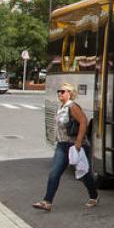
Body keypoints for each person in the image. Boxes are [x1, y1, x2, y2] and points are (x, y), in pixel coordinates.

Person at [32, 82, 98, 211]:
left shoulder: (72, 106)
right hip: (62, 145)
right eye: (59, 91)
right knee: (54, 173)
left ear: (69, 93)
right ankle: (47, 201)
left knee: (83, 174)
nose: (59, 94)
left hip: (76, 145)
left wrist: (78, 142)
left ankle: (94, 195)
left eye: (62, 92)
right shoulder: (61, 107)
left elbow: (84, 121)